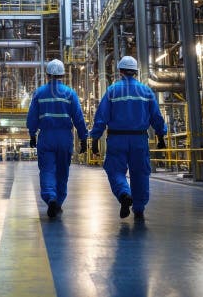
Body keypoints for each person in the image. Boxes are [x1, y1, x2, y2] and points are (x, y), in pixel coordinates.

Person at [89, 56, 166, 220]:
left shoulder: (112, 91)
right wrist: (161, 136)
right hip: (139, 140)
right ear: (136, 72)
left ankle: (124, 193)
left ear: (120, 71)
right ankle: (139, 208)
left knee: (115, 170)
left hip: (117, 139)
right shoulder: (146, 91)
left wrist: (95, 139)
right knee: (141, 173)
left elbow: (101, 117)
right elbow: (156, 117)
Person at [27, 59, 88, 218]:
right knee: (62, 171)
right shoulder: (69, 93)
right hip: (64, 137)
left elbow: (32, 117)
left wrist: (32, 134)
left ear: (47, 75)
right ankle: (58, 201)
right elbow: (79, 118)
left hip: (46, 136)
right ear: (62, 74)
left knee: (47, 170)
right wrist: (83, 138)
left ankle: (50, 197)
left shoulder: (39, 93)